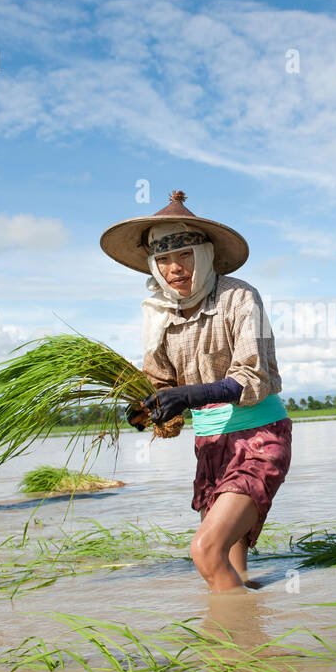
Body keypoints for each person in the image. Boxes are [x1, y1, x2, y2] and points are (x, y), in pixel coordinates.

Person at [101, 190, 292, 593]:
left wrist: (188, 397)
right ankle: (241, 647)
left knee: (205, 551)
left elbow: (251, 377)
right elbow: (161, 384)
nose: (174, 268)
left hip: (259, 436)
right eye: (163, 259)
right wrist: (146, 409)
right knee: (228, 562)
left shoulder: (239, 297)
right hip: (210, 444)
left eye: (184, 255)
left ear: (204, 254)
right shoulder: (159, 316)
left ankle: (238, 634)